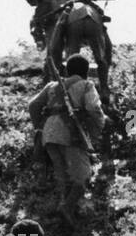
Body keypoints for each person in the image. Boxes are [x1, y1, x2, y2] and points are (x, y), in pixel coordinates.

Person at [28, 55, 106, 226]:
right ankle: (68, 207)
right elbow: (94, 108)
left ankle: (65, 209)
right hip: (71, 132)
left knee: (62, 173)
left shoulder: (52, 85)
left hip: (49, 135)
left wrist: (39, 128)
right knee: (84, 175)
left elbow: (33, 105)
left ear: (67, 70)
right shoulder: (86, 85)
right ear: (86, 72)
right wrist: (98, 129)